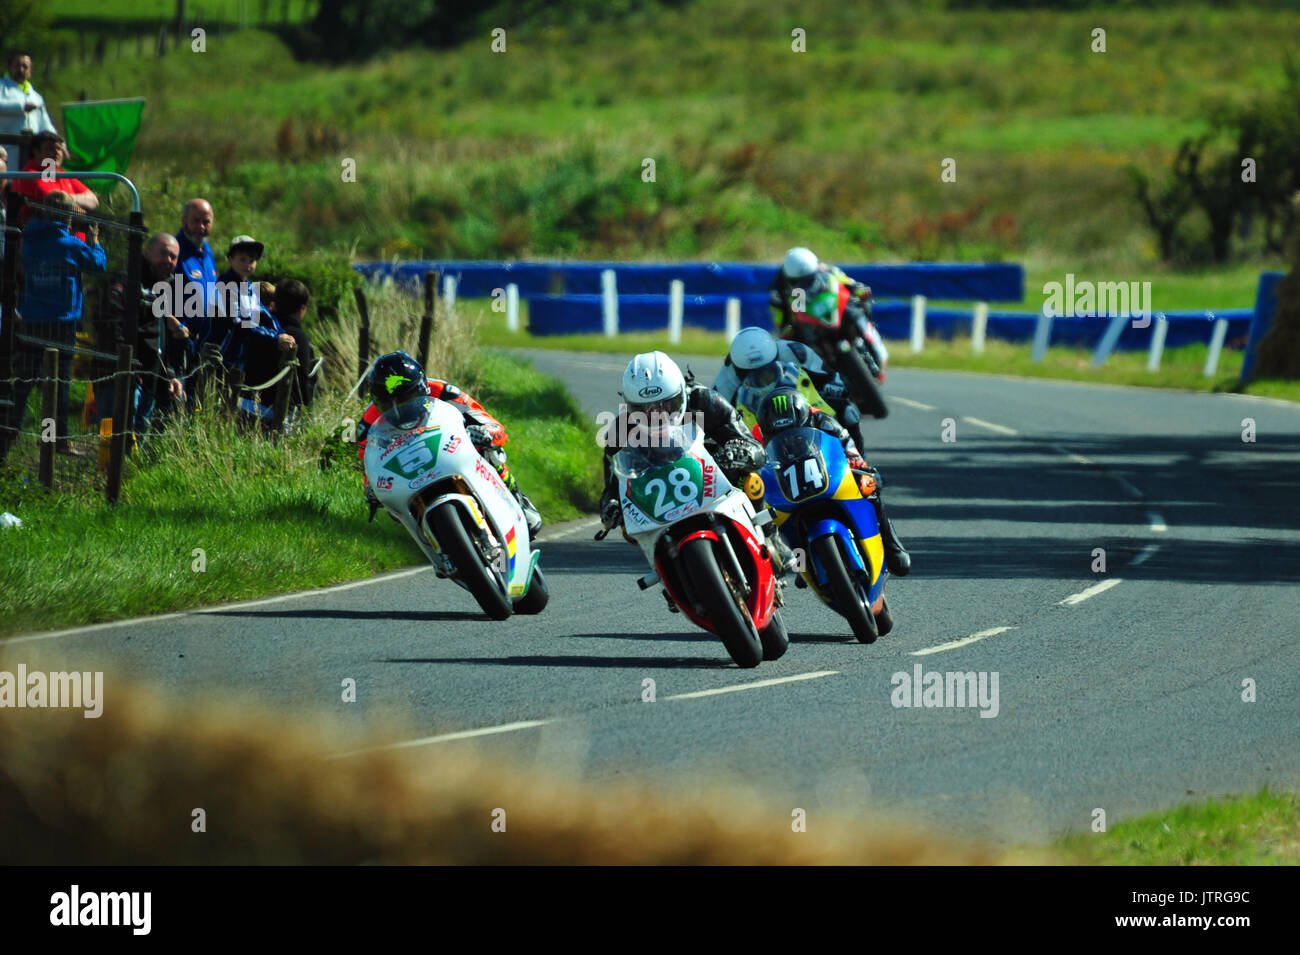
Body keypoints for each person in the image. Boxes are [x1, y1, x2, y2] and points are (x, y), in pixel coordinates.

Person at [357, 351, 543, 537]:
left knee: (491, 451)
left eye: (408, 399)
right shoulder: (367, 426)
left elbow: (492, 425)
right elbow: (370, 467)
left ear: (423, 388)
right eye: (389, 405)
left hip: (451, 448)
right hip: (409, 471)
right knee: (393, 510)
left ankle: (517, 499)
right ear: (376, 401)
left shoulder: (444, 391)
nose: (401, 411)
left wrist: (486, 434)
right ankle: (431, 539)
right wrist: (372, 489)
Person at [598, 351, 765, 531]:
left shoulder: (705, 401)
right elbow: (611, 486)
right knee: (626, 528)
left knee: (751, 480)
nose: (658, 416)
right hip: (659, 500)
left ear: (681, 392)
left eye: (666, 405)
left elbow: (754, 447)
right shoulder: (620, 430)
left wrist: (740, 452)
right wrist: (610, 506)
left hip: (714, 481)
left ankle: (766, 534)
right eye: (645, 410)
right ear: (629, 405)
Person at [755, 388, 910, 577]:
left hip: (826, 470)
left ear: (805, 419)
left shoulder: (821, 419)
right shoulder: (757, 435)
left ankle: (891, 544)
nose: (789, 438)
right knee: (769, 521)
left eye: (792, 430)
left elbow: (846, 441)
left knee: (870, 487)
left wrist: (858, 462)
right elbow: (755, 468)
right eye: (780, 434)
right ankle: (801, 564)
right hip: (787, 485)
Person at [0, 192, 107, 460]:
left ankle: (8, 434)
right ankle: (57, 439)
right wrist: (94, 240)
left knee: (24, 380)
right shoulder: (69, 244)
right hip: (61, 321)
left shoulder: (30, 239)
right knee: (59, 383)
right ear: (68, 215)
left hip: (32, 319)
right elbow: (98, 265)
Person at [713, 326, 867, 452]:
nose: (759, 379)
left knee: (849, 413)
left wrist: (835, 389)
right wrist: (701, 432)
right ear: (738, 370)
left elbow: (829, 375)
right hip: (755, 414)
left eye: (765, 373)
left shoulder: (795, 351)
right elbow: (709, 405)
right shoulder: (727, 375)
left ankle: (859, 461)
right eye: (750, 374)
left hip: (800, 400)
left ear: (775, 357)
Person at [92, 232, 185, 440]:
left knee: (134, 449)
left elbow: (159, 338)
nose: (168, 260)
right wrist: (128, 369)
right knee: (111, 444)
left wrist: (169, 374)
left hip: (148, 383)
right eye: (163, 253)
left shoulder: (162, 289)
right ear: (146, 252)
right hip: (117, 379)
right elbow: (109, 326)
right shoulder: (125, 282)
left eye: (173, 257)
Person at [769, 246, 889, 372]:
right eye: (801, 281)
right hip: (805, 317)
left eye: (810, 278)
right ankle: (819, 371)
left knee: (857, 302)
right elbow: (778, 315)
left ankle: (870, 334)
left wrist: (856, 287)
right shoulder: (779, 288)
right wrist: (784, 328)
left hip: (827, 304)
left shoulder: (822, 268)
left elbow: (843, 279)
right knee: (795, 342)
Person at [11, 132, 98, 239]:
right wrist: (76, 204)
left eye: (59, 149)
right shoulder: (29, 175)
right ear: (36, 152)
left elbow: (93, 200)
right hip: (46, 242)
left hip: (73, 243)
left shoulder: (62, 174)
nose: (56, 153)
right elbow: (54, 203)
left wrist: (69, 199)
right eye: (50, 149)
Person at [0, 52, 57, 138]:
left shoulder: (36, 97)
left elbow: (45, 124)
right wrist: (21, 107)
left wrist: (56, 139)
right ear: (9, 68)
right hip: (5, 145)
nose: (21, 70)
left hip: (31, 145)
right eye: (17, 66)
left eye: (25, 67)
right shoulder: (2, 87)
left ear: (30, 71)